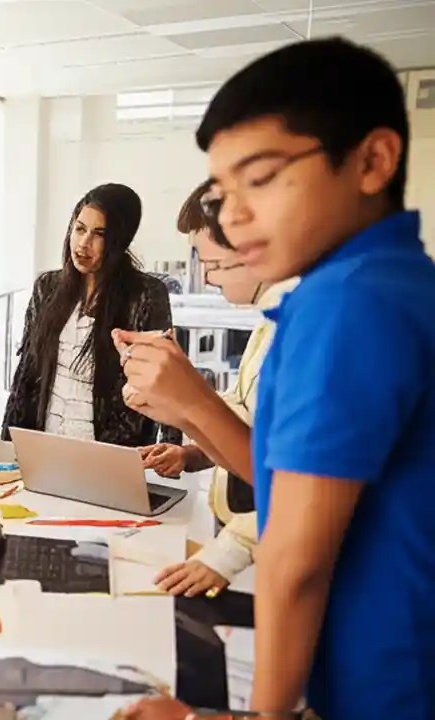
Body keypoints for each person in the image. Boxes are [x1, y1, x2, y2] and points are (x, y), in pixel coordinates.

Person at [121, 38, 433, 720]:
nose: (230, 216)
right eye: (220, 191)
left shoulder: (347, 302)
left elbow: (294, 559)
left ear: (372, 161)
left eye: (259, 178)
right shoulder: (398, 281)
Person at [135, 180, 297, 598]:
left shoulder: (313, 331)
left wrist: (185, 401)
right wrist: (178, 418)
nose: (206, 277)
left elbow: (298, 481)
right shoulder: (271, 324)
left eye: (212, 262)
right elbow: (240, 419)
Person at [1, 183, 179, 448]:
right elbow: (27, 369)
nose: (84, 243)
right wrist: (8, 441)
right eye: (80, 229)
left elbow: (164, 374)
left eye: (99, 234)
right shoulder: (48, 287)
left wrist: (171, 443)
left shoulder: (145, 295)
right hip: (44, 441)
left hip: (110, 449)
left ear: (120, 241)